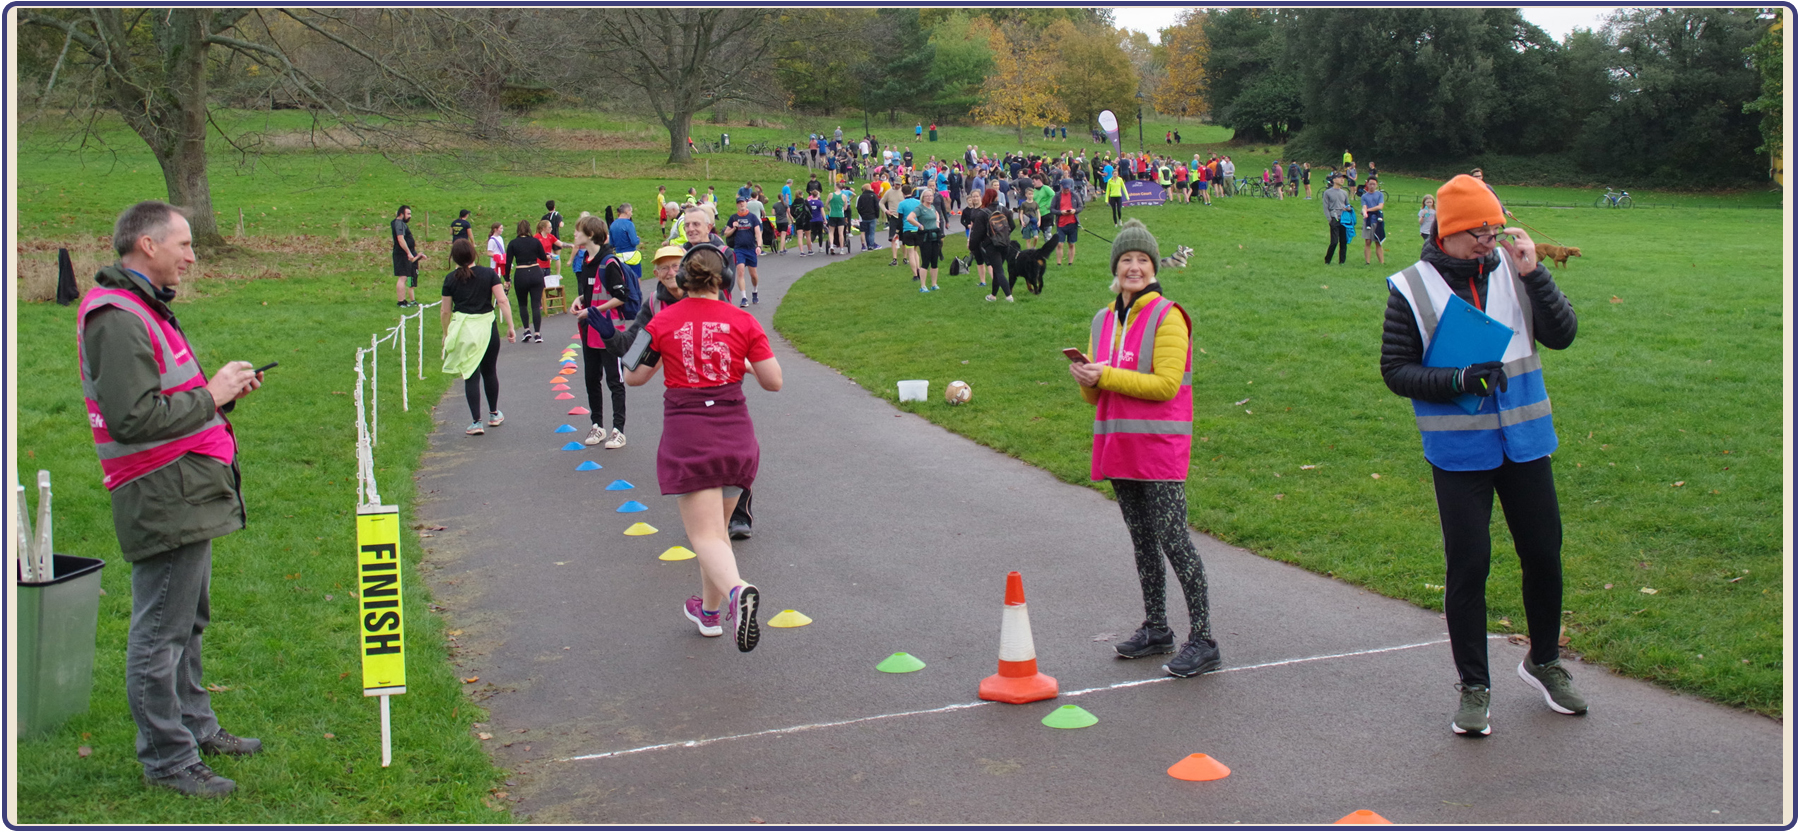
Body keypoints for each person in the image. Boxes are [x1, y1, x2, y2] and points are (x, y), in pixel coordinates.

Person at [1380, 174, 1583, 736]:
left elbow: (1563, 335)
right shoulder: (1412, 287)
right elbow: (1395, 371)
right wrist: (1458, 378)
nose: (1486, 242)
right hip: (1458, 452)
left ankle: (1544, 661)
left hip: (1527, 445)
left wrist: (1534, 273)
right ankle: (1474, 685)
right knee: (1469, 567)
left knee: (1544, 553)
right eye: (1474, 232)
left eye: (1491, 229)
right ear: (1445, 234)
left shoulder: (1518, 273)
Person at [78, 200, 265, 797]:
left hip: (185, 486)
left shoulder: (142, 306)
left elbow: (168, 395)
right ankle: (167, 758)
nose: (192, 255)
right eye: (183, 244)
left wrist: (221, 394)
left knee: (187, 621)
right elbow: (133, 418)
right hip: (161, 491)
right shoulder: (117, 316)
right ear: (147, 246)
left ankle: (196, 725)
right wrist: (212, 396)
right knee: (160, 632)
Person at [1067, 219, 1218, 679]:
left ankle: (1204, 639)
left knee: (1174, 540)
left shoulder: (1168, 315)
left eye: (1142, 261)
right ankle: (1157, 628)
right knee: (1142, 542)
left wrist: (1106, 375)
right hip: (1119, 446)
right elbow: (1099, 395)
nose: (1134, 267)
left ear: (1154, 268)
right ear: (1115, 267)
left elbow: (1167, 384)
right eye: (1126, 260)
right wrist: (1087, 381)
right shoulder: (1103, 318)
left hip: (1159, 448)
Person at [625, 245, 782, 653]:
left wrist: (659, 351)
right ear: (725, 279)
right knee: (716, 537)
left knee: (706, 535)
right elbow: (773, 381)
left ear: (683, 280)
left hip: (689, 431)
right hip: (735, 435)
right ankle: (709, 614)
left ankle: (737, 592)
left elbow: (634, 377)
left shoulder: (661, 321)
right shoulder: (744, 320)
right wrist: (742, 361)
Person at [441, 237, 516, 436]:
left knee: (470, 373)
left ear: (454, 258)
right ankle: (493, 413)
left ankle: (476, 421)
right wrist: (510, 326)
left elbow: (445, 311)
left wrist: (446, 333)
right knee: (489, 371)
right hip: (486, 327)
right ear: (474, 254)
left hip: (465, 329)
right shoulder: (489, 274)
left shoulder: (450, 279)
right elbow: (502, 300)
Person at [503, 219, 550, 341]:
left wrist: (507, 278)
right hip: (535, 271)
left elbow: (508, 263)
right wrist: (548, 255)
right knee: (535, 304)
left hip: (521, 273)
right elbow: (542, 257)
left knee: (522, 304)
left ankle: (526, 330)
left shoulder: (513, 243)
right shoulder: (535, 241)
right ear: (529, 229)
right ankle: (538, 333)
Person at [726, 198, 763, 306]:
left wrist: (759, 246)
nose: (741, 204)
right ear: (737, 205)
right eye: (739, 203)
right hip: (739, 249)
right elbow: (726, 233)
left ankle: (755, 291)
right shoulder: (733, 217)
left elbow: (758, 233)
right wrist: (733, 228)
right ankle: (744, 298)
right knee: (740, 271)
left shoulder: (752, 217)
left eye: (743, 202)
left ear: (746, 204)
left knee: (753, 275)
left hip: (751, 249)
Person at [908, 188, 944, 292]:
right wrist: (919, 225)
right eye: (927, 196)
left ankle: (934, 284)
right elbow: (910, 218)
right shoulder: (919, 208)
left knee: (934, 262)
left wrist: (937, 223)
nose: (929, 198)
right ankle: (923, 286)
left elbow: (936, 215)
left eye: (931, 196)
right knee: (925, 262)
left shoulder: (932, 207)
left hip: (934, 237)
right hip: (925, 238)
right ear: (923, 197)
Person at [392, 204, 424, 307]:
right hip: (401, 254)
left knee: (405, 277)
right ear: (401, 214)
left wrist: (416, 255)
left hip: (405, 253)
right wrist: (408, 253)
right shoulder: (398, 223)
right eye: (408, 214)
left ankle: (404, 300)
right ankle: (401, 302)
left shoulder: (400, 223)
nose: (410, 216)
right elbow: (401, 239)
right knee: (403, 277)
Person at [1052, 178, 1084, 266]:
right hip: (1061, 223)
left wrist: (1075, 210)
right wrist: (1060, 212)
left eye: (1068, 188)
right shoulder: (1057, 196)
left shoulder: (1075, 195)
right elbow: (1052, 209)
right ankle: (1059, 263)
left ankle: (1070, 262)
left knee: (1071, 244)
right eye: (1065, 188)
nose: (1066, 190)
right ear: (1061, 186)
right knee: (1059, 244)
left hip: (1072, 222)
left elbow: (1081, 207)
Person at [609, 203, 643, 282]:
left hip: (619, 256)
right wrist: (638, 239)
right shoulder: (629, 224)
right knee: (636, 278)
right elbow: (634, 242)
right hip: (631, 255)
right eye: (631, 211)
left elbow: (611, 243)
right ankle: (637, 293)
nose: (632, 213)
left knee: (623, 278)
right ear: (627, 212)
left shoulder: (613, 225)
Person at [1322, 175, 1349, 265]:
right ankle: (1327, 260)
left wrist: (1348, 208)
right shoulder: (1327, 192)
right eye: (1340, 178)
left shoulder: (1344, 193)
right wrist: (1329, 219)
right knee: (1334, 242)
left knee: (1343, 241)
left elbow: (1347, 204)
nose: (1342, 180)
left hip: (1344, 219)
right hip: (1334, 218)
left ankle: (1342, 261)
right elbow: (1325, 207)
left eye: (1343, 178)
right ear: (1334, 180)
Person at [1361, 176, 1387, 265]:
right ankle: (1367, 262)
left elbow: (1380, 206)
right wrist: (1364, 212)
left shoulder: (1380, 195)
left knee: (1378, 242)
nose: (1372, 186)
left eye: (1374, 184)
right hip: (1368, 221)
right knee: (1367, 241)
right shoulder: (1364, 196)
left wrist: (1368, 210)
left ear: (1376, 185)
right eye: (1370, 184)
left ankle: (1382, 262)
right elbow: (1364, 207)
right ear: (1367, 184)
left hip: (1377, 220)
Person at [881, 177, 906, 266]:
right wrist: (886, 211)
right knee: (893, 238)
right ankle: (894, 259)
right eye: (896, 184)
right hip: (893, 217)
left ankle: (905, 258)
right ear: (893, 183)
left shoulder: (903, 192)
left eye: (899, 184)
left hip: (903, 217)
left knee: (904, 239)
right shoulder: (889, 192)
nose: (897, 186)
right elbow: (881, 202)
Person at [856, 182, 881, 252]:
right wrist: (877, 215)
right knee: (872, 232)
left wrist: (862, 214)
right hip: (872, 216)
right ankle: (871, 245)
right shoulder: (873, 196)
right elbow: (876, 206)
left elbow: (858, 207)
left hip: (864, 217)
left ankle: (867, 244)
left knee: (866, 232)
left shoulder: (861, 197)